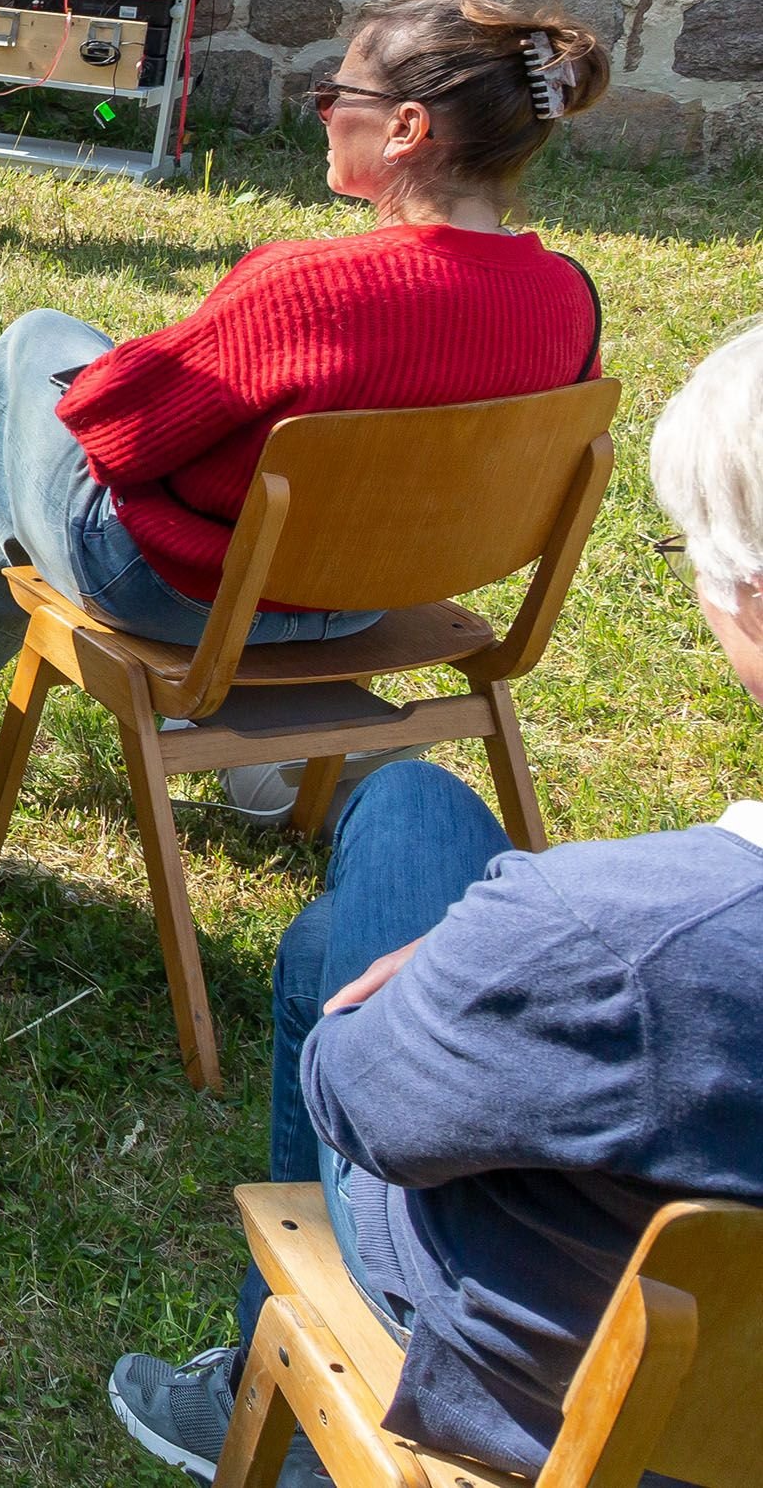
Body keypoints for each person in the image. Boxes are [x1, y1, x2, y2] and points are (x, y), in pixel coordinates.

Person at [107, 324, 763, 1485]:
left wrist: (457, 974)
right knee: (354, 891)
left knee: (385, 854)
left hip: (572, 1399)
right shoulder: (557, 301)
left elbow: (362, 1101)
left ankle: (297, 1422)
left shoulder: (618, 939)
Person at [0, 0, 610, 818]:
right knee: (6, 447)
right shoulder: (568, 299)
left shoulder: (306, 286)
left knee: (29, 358)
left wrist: (109, 372)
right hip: (369, 597)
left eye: (335, 97)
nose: (324, 116)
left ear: (404, 129)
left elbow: (115, 438)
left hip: (187, 596)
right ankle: (279, 764)